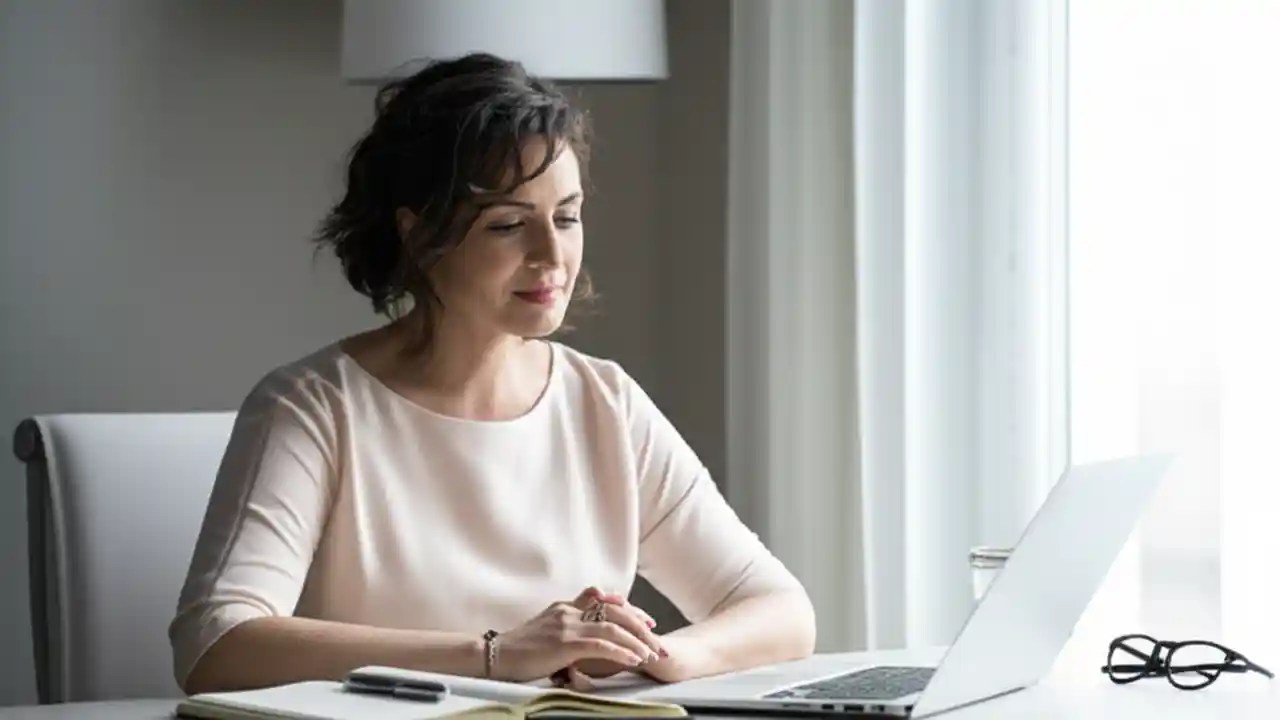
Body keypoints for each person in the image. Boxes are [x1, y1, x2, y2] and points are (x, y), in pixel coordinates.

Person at [169, 53, 815, 696]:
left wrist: (655, 655)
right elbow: (217, 644)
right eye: (509, 225)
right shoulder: (313, 409)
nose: (553, 256)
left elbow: (781, 611)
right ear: (419, 238)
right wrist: (496, 655)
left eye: (566, 216)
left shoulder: (604, 403)